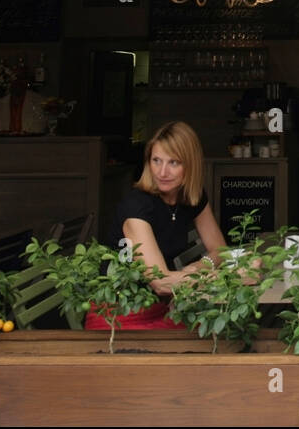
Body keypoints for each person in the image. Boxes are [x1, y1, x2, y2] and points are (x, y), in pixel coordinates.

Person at [86, 121, 228, 330]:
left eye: (174, 163)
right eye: (156, 161)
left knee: (223, 330)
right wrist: (221, 278)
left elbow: (220, 250)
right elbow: (161, 283)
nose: (162, 172)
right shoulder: (136, 207)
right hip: (119, 316)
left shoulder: (190, 197)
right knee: (213, 334)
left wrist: (199, 266)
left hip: (162, 308)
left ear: (191, 165)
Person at [0, 67, 47, 134]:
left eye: (21, 78)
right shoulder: (0, 104)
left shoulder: (39, 101)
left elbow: (41, 128)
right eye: (15, 78)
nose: (17, 81)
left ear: (27, 81)